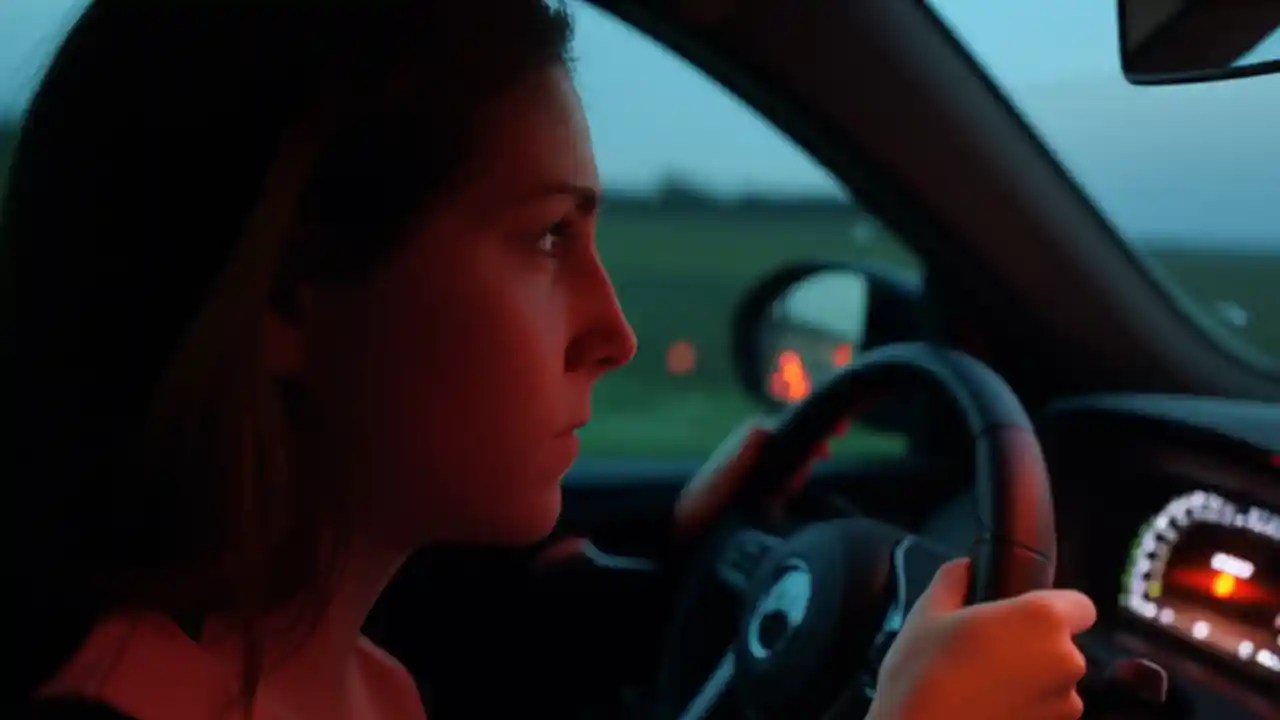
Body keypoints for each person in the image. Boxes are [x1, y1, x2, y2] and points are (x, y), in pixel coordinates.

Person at [7, 2, 1096, 719]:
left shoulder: (361, 675)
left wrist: (675, 572)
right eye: (542, 239)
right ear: (288, 295)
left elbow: (513, 627)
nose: (613, 334)